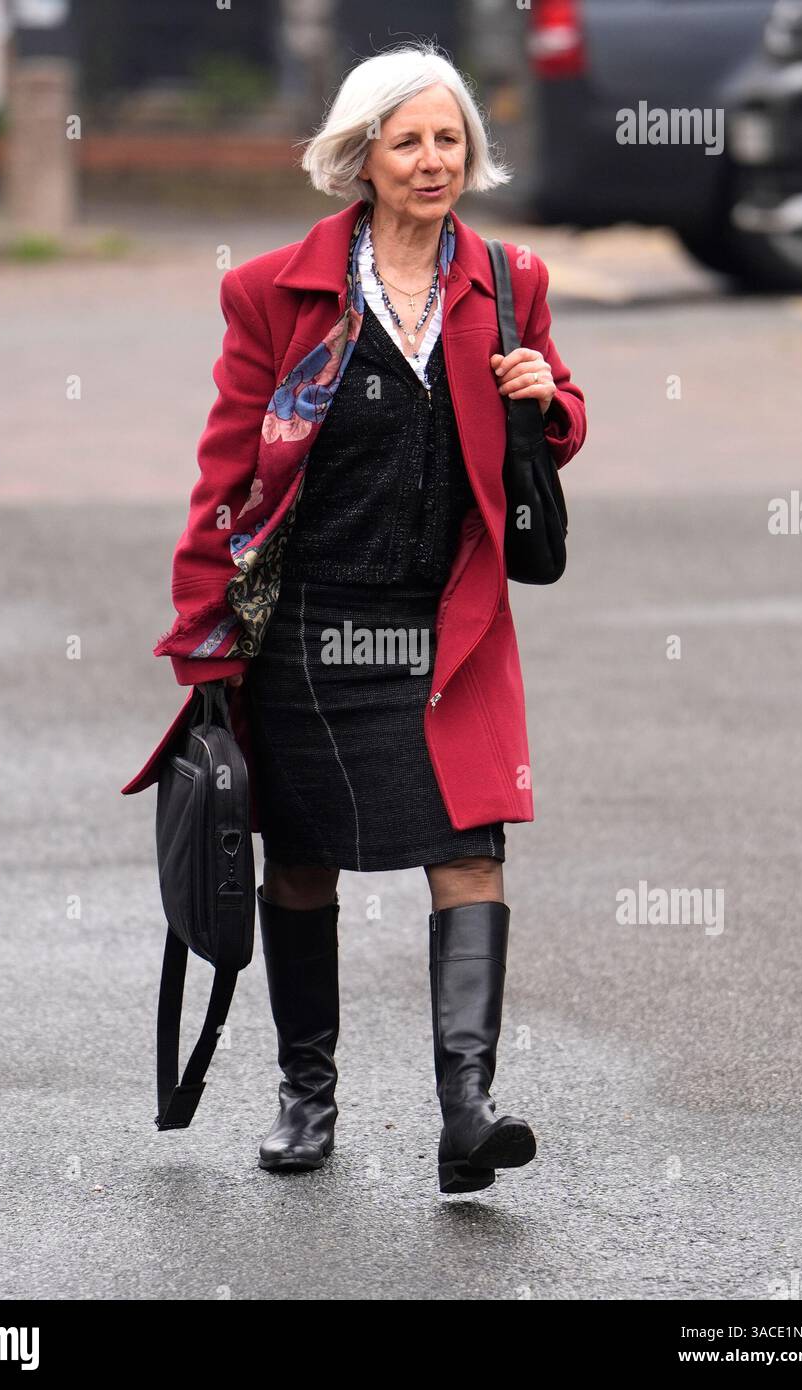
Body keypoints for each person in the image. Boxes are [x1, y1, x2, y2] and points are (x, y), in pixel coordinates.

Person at [125, 40, 587, 1195]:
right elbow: (230, 471)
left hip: (449, 619)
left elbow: (556, 408)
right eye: (409, 140)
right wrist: (204, 632)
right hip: (309, 623)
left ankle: (467, 1113)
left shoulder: (509, 278)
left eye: (450, 139)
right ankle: (306, 1095)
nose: (435, 161)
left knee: (471, 848)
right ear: (362, 157)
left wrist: (552, 400)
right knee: (301, 863)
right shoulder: (276, 291)